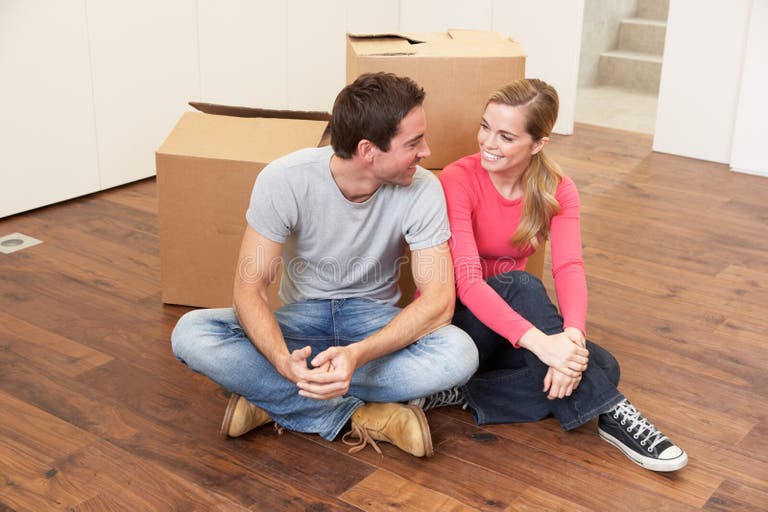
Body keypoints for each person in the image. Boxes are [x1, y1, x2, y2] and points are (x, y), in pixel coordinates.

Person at [171, 72, 478, 458]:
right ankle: (366, 417)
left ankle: (271, 400)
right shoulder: (283, 180)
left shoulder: (422, 189)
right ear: (369, 150)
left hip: (373, 325)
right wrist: (282, 360)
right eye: (413, 142)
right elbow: (248, 289)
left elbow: (439, 302)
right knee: (191, 332)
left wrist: (357, 354)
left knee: (459, 352)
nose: (427, 152)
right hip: (301, 325)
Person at [411, 78, 687, 472]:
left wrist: (572, 336)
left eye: (506, 136)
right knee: (522, 284)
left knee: (602, 366)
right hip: (457, 326)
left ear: (538, 143)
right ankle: (617, 413)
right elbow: (468, 282)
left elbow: (569, 266)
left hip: (512, 330)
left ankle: (463, 393)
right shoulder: (458, 179)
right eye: (486, 126)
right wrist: (544, 344)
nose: (488, 142)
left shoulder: (557, 188)